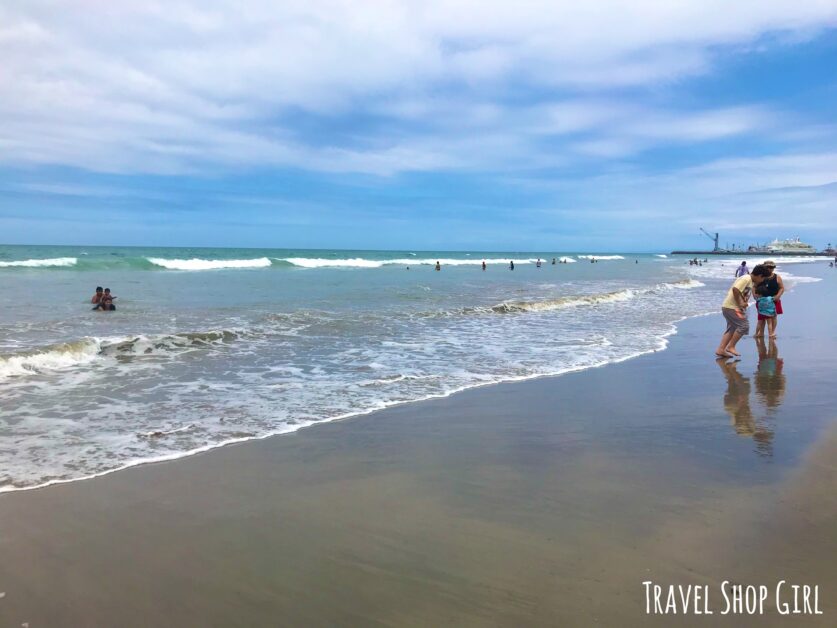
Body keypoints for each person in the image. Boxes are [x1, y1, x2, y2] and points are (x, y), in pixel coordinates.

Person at [715, 264, 770, 359]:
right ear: (760, 275)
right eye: (763, 278)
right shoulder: (746, 279)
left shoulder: (750, 281)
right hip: (732, 307)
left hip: (730, 307)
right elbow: (735, 289)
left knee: (732, 328)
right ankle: (731, 346)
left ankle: (721, 349)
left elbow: (742, 293)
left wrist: (743, 303)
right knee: (744, 326)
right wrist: (740, 303)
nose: (762, 281)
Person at [753, 260, 783, 339]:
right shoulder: (760, 277)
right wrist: (755, 295)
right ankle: (761, 333)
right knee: (761, 318)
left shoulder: (777, 277)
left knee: (773, 317)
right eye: (768, 267)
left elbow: (781, 288)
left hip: (774, 299)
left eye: (772, 267)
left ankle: (772, 332)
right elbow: (754, 286)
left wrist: (778, 296)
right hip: (762, 300)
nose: (770, 269)